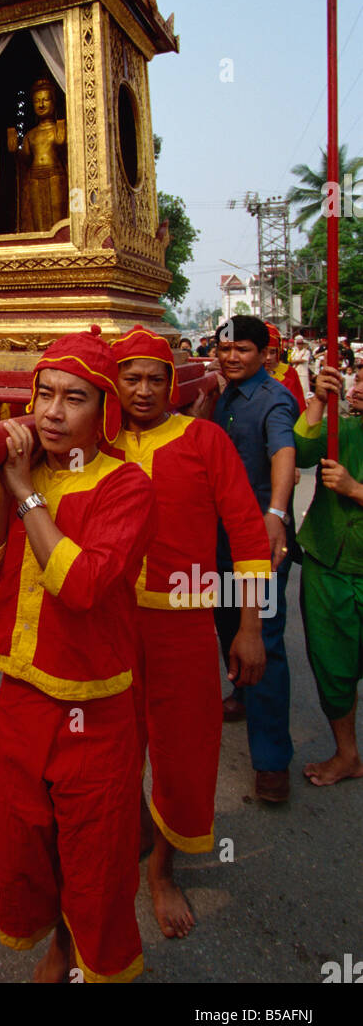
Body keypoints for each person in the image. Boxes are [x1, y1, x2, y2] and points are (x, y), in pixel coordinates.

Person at [0, 329, 155, 983]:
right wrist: (1, 483)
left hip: (93, 709)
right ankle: (60, 942)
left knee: (93, 858)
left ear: (104, 412)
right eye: (43, 393)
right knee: (20, 841)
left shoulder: (126, 485)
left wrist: (28, 497)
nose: (51, 411)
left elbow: (81, 586)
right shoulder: (22, 471)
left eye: (74, 398)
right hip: (20, 698)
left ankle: (91, 957)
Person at [110, 326, 269, 938]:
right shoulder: (96, 445)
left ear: (172, 382)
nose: (144, 390)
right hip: (112, 624)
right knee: (116, 749)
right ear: (115, 385)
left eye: (156, 378)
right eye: (132, 378)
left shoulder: (204, 440)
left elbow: (249, 537)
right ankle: (126, 841)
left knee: (182, 752)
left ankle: (163, 871)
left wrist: (248, 627)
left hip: (183, 626)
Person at [210, 316, 299, 803]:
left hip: (261, 540)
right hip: (221, 538)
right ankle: (242, 692)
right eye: (225, 349)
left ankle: (271, 762)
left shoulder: (272, 398)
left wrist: (277, 513)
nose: (231, 357)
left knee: (263, 636)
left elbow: (283, 452)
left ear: (265, 354)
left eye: (242, 349)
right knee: (228, 622)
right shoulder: (225, 394)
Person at [293, 363, 363, 786]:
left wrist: (355, 490)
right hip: (327, 560)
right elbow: (301, 453)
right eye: (359, 378)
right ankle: (348, 753)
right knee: (333, 668)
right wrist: (318, 399)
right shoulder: (347, 429)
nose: (357, 388)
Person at [7, 78, 68, 233]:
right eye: (37, 101)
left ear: (54, 103)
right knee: (38, 217)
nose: (41, 104)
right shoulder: (31, 135)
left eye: (46, 100)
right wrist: (15, 149)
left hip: (55, 174)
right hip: (34, 176)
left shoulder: (58, 129)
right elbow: (25, 159)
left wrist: (62, 139)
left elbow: (66, 152)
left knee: (57, 217)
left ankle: (60, 243)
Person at [264, 324, 305, 414]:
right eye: (264, 351)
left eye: (272, 352)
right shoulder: (251, 372)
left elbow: (299, 404)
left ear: (278, 351)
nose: (268, 357)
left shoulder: (289, 372)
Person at [290, 334, 312, 399]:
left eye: (301, 343)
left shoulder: (306, 351)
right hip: (295, 371)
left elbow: (303, 360)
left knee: (304, 389)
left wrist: (295, 361)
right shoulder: (294, 351)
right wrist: (296, 361)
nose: (299, 345)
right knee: (295, 389)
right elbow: (291, 360)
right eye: (298, 343)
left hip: (303, 373)